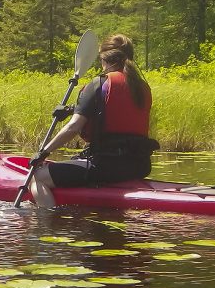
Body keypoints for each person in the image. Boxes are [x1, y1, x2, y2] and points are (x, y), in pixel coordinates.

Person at [28, 34, 159, 207]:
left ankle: (49, 223)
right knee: (77, 161)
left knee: (39, 177)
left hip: (106, 166)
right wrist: (72, 109)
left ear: (104, 58)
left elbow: (73, 127)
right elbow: (115, 110)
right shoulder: (142, 87)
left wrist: (43, 152)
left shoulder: (98, 84)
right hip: (138, 166)